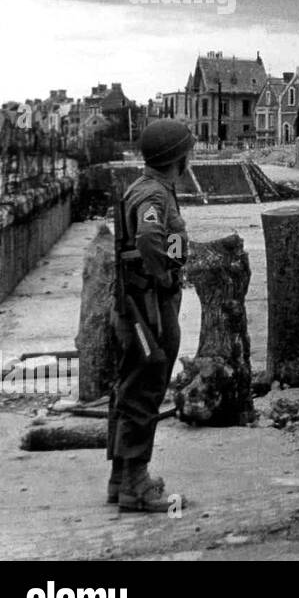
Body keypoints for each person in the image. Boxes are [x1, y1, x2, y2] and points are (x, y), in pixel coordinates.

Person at [107, 120, 193, 512]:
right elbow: (148, 237)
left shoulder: (153, 189)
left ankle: (122, 476)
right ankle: (136, 484)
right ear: (178, 156)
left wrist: (174, 263)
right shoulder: (153, 196)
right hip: (148, 308)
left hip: (143, 304)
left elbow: (171, 241)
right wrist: (163, 275)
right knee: (146, 383)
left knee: (132, 385)